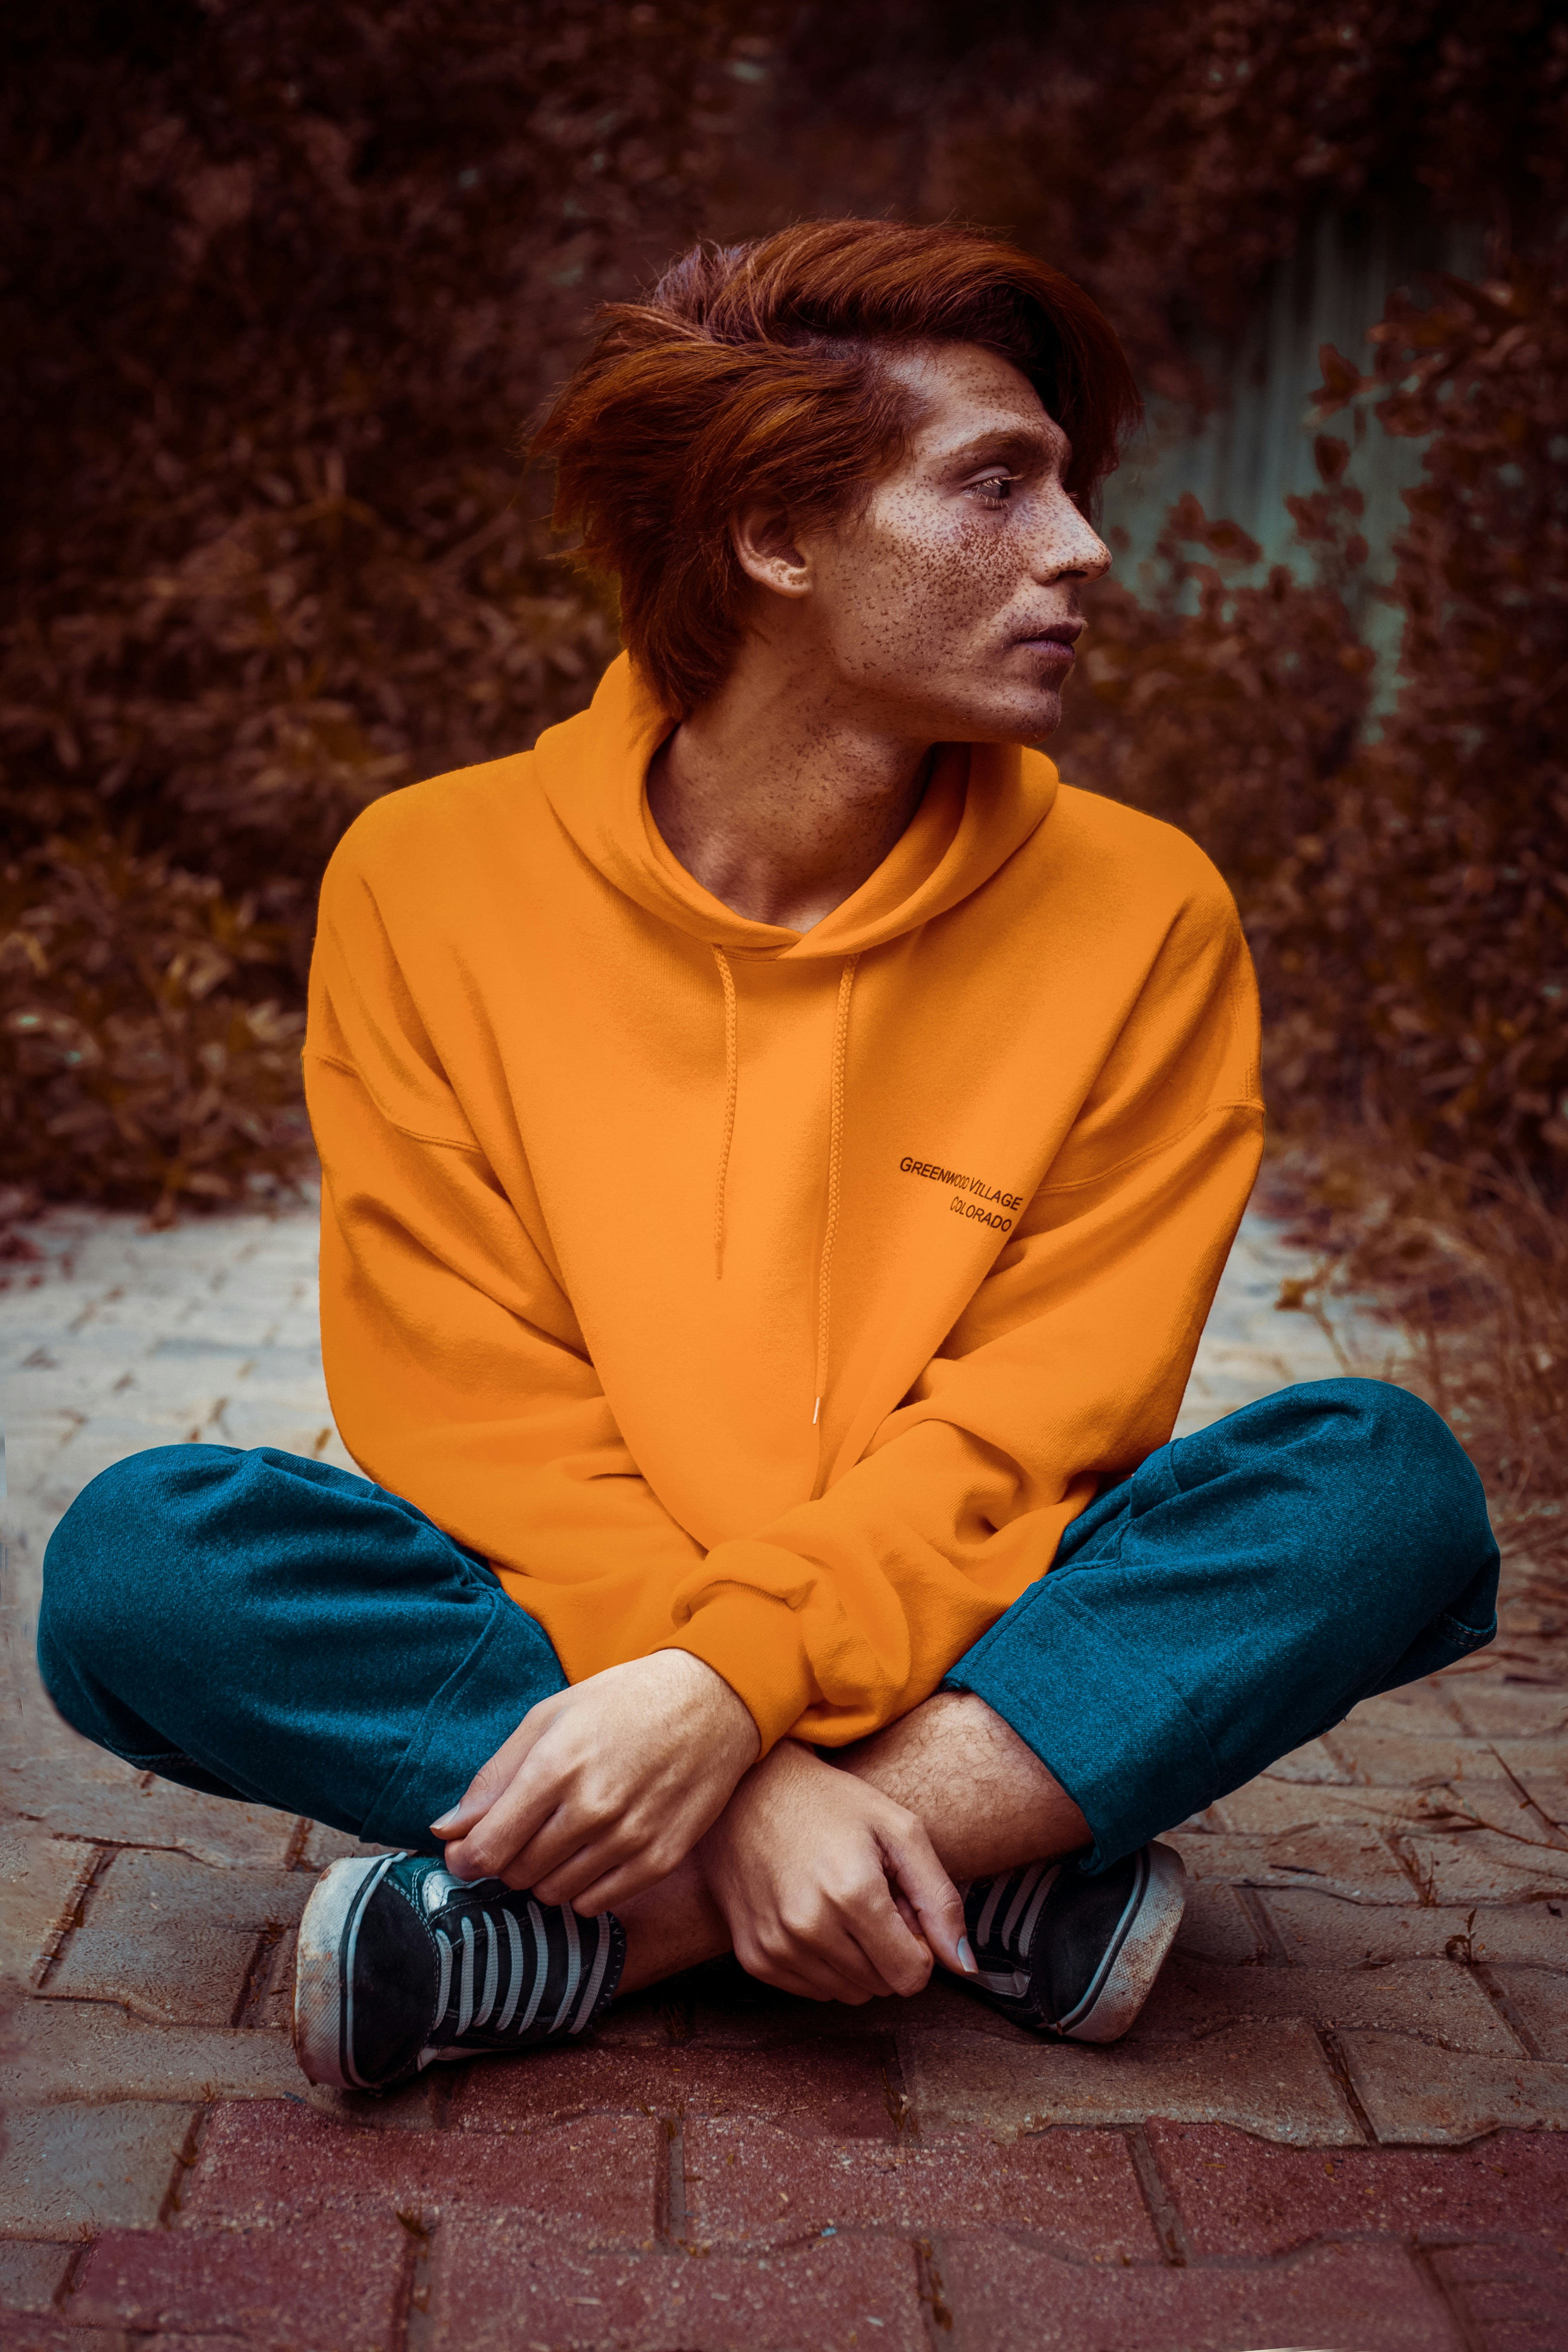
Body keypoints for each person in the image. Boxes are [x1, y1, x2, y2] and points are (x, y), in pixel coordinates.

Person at [37, 220, 1498, 2094]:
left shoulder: (1146, 912)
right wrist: (732, 1727)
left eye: (1067, 484)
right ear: (778, 536)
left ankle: (610, 1929)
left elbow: (1035, 1422)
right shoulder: (427, 876)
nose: (1083, 548)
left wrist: (730, 1702)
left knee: (1377, 1491)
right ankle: (980, 1861)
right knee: (142, 1565)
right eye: (996, 484)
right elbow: (466, 1401)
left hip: (951, 1604)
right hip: (587, 1626)